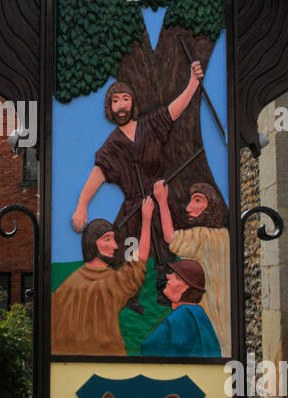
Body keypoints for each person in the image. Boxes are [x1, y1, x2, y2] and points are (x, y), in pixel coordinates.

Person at [71, 68, 204, 262]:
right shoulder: (112, 145)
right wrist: (82, 205)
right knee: (129, 265)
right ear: (109, 107)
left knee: (173, 255)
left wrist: (193, 82)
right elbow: (98, 174)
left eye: (125, 99)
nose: (121, 106)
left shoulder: (151, 125)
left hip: (162, 202)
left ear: (133, 102)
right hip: (133, 214)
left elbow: (173, 111)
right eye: (115, 101)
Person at [52, 201, 153, 356]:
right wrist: (146, 220)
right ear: (92, 242)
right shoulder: (110, 284)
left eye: (113, 239)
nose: (115, 246)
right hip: (108, 363)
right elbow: (140, 261)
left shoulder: (66, 286)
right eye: (107, 239)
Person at [153, 178, 231, 353]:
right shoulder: (226, 237)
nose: (189, 208)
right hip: (226, 327)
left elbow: (171, 239)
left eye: (197, 201)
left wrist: (162, 201)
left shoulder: (202, 237)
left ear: (211, 205)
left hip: (207, 323)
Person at [139, 258, 221, 358]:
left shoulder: (183, 314)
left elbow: (150, 348)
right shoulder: (197, 313)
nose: (168, 276)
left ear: (188, 288)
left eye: (177, 277)